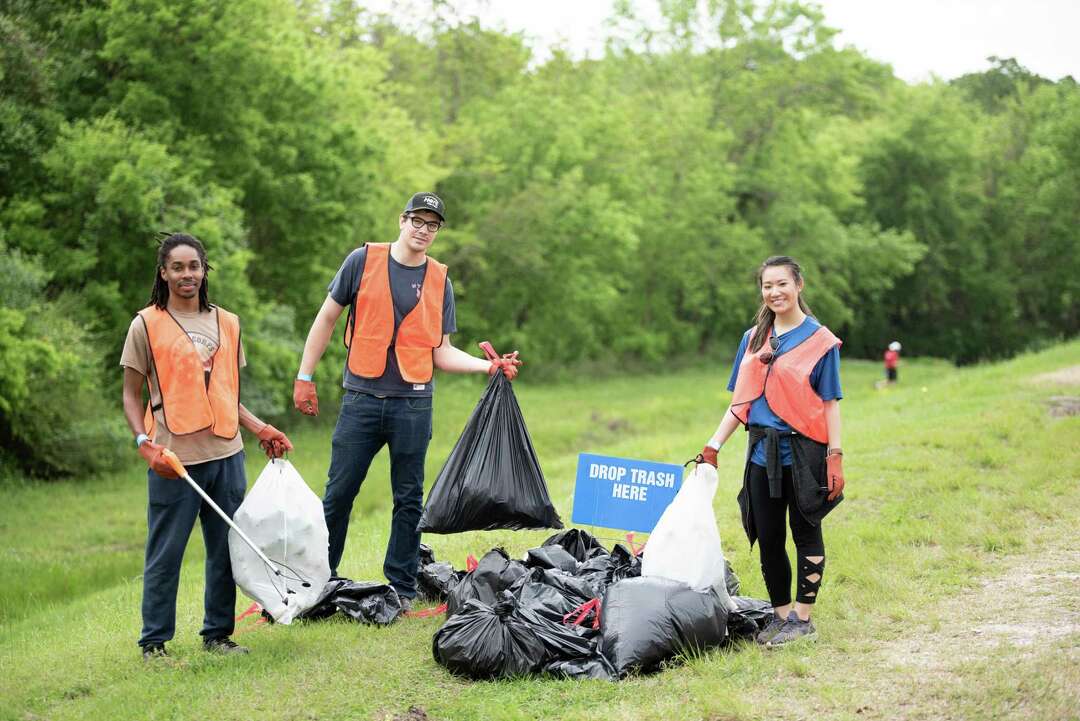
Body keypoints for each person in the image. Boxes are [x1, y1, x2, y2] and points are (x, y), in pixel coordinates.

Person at [292, 192, 521, 608]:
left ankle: (401, 586)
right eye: (417, 220)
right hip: (361, 399)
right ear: (402, 221)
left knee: (409, 498)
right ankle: (318, 581)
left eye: (432, 225)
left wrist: (486, 367)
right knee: (339, 493)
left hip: (413, 405)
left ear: (437, 231)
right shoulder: (361, 261)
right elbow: (326, 318)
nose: (423, 230)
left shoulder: (440, 281)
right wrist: (304, 376)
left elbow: (441, 352)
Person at [120, 233, 293, 660]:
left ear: (204, 270)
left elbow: (225, 392)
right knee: (166, 553)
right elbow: (130, 394)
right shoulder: (145, 324)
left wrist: (259, 428)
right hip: (174, 461)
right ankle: (154, 642)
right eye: (177, 267)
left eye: (194, 266)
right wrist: (145, 444)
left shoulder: (228, 323)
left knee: (226, 551)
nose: (187, 275)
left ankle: (218, 635)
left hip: (227, 456)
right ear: (163, 273)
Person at [697, 255, 845, 647]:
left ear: (799, 285)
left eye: (781, 283)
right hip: (761, 451)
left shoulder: (820, 341)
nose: (774, 292)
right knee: (768, 534)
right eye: (767, 286)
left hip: (805, 453)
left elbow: (831, 403)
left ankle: (804, 619)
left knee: (805, 530)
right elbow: (741, 403)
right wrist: (713, 446)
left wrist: (835, 455)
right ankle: (781, 618)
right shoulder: (752, 339)